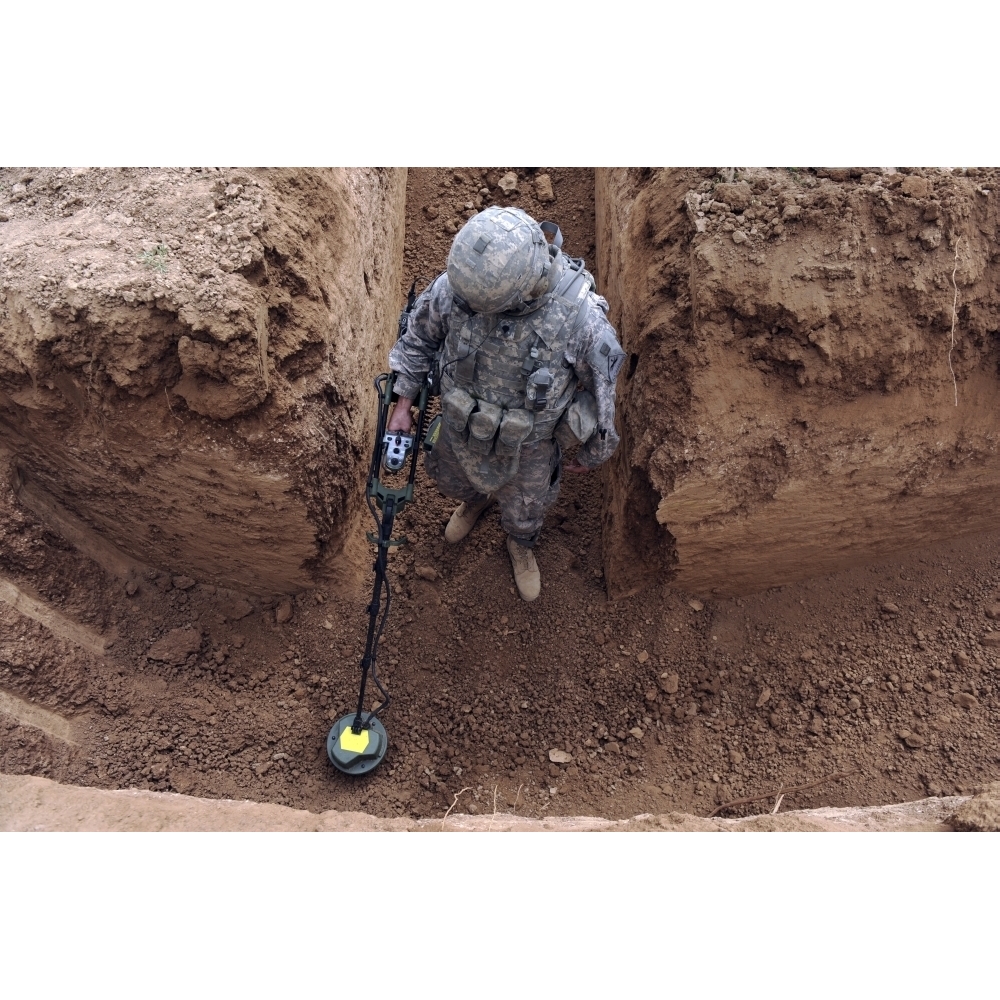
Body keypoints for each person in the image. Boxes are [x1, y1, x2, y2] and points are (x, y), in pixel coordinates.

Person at [386, 206, 624, 601]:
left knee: (527, 504)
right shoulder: (459, 289)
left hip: (530, 443)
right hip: (462, 424)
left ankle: (520, 543)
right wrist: (401, 404)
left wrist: (596, 451)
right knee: (455, 477)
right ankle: (474, 501)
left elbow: (603, 394)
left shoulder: (581, 319)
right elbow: (419, 340)